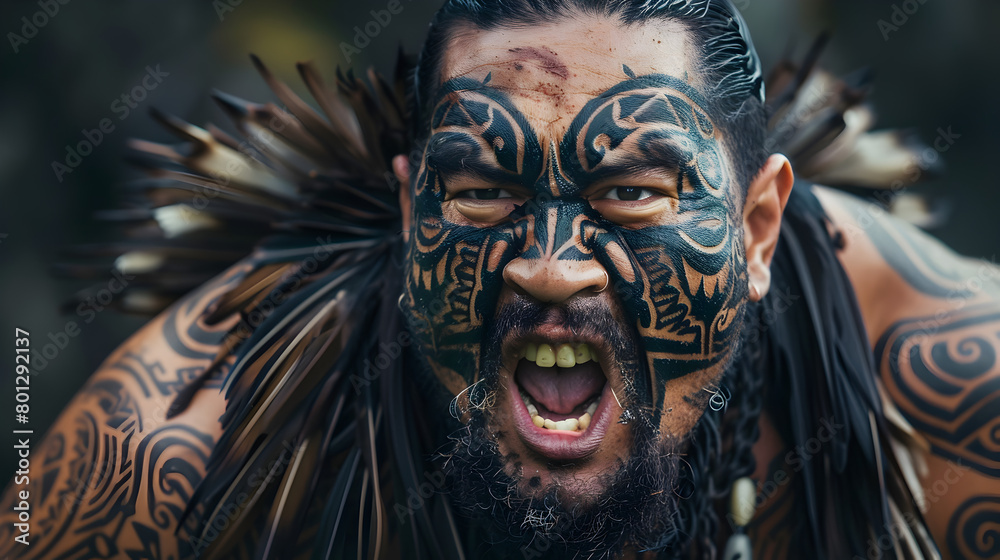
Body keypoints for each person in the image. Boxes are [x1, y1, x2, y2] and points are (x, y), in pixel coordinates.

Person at [2, 1, 998, 558]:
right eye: (480, 191)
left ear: (756, 227)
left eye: (632, 192)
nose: (552, 267)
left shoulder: (939, 388)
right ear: (410, 215)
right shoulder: (178, 448)